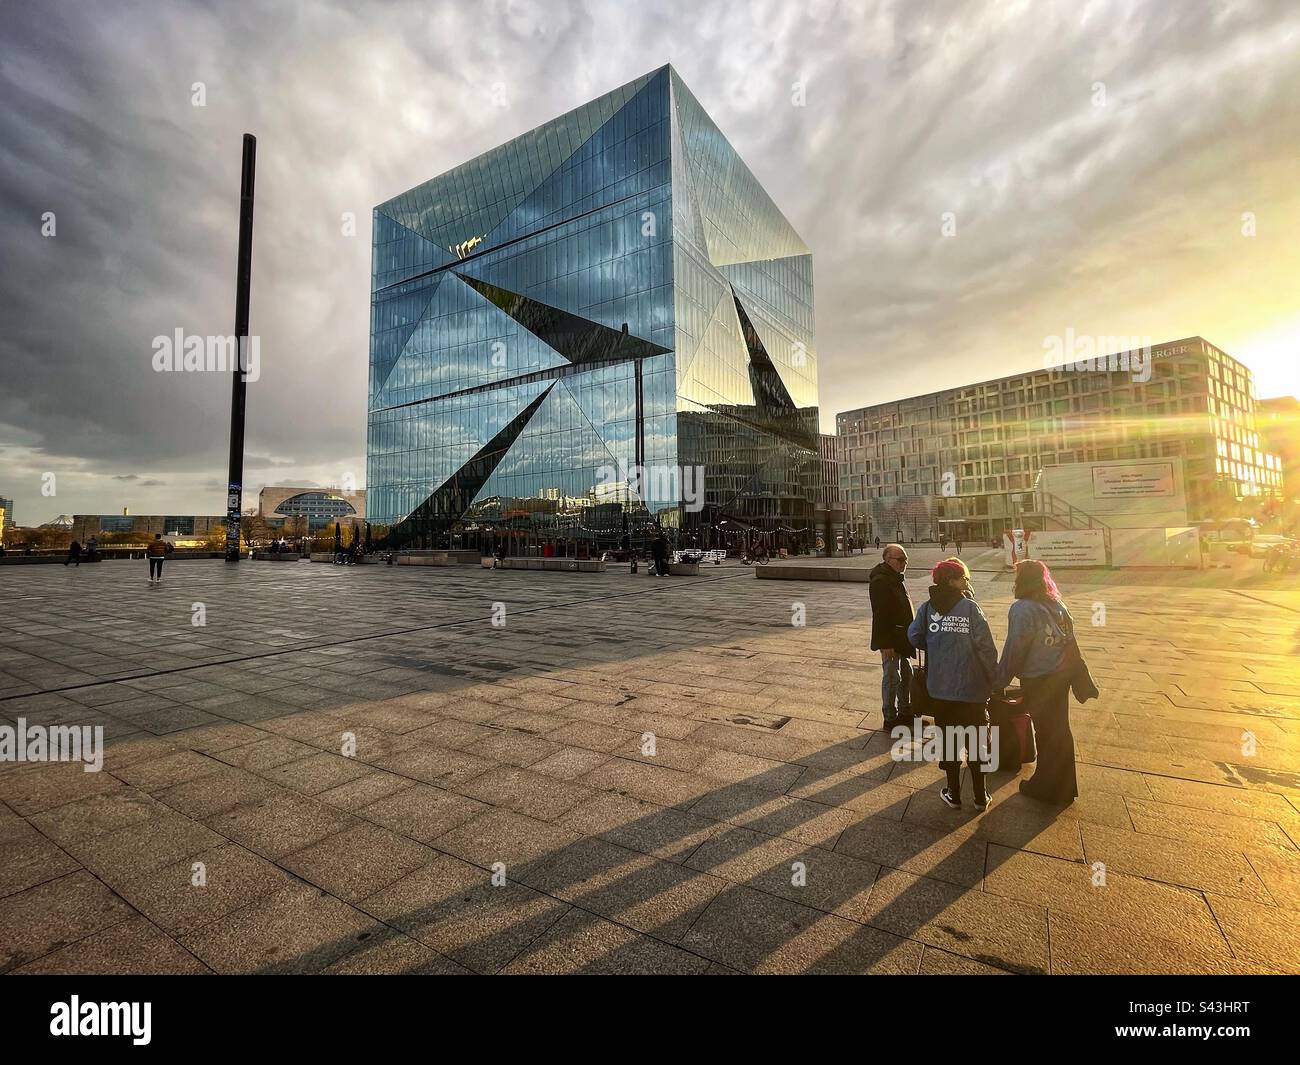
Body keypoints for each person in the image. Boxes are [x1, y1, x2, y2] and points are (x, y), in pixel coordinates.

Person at [908, 557, 998, 810]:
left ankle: (953, 793)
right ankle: (980, 796)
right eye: (964, 578)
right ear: (951, 580)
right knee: (978, 741)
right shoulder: (970, 608)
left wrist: (937, 645)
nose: (967, 582)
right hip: (973, 690)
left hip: (941, 689)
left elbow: (914, 636)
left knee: (949, 740)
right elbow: (986, 648)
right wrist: (995, 678)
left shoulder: (927, 608)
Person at [996, 559, 1078, 804]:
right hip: (1061, 676)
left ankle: (1045, 786)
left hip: (1038, 678)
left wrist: (1000, 679)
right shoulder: (1057, 605)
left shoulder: (1023, 609)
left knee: (1045, 731)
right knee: (1060, 730)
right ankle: (1064, 787)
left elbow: (1016, 649)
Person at [869, 544, 915, 727]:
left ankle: (905, 711)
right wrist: (885, 643)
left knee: (907, 674)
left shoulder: (895, 578)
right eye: (900, 560)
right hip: (891, 639)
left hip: (902, 637)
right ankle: (890, 717)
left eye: (906, 560)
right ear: (888, 560)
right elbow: (880, 615)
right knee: (892, 676)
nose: (904, 563)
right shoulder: (881, 581)